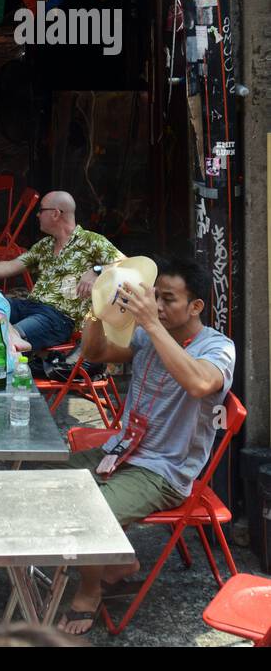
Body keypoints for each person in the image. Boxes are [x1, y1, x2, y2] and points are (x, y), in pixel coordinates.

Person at [53, 257, 235, 637]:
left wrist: (151, 322)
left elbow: (201, 385)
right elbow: (97, 353)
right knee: (47, 482)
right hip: (123, 449)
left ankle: (89, 591)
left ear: (196, 306)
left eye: (169, 299)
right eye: (156, 297)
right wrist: (98, 310)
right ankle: (119, 561)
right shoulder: (150, 334)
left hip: (164, 470)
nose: (158, 306)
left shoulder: (218, 347)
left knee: (89, 512)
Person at [0, 190, 124, 352]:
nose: (37, 215)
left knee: (6, 333)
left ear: (56, 214)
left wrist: (97, 270)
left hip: (58, 318)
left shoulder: (91, 241)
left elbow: (129, 266)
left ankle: (11, 347)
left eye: (41, 210)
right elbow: (11, 266)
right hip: (29, 306)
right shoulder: (45, 245)